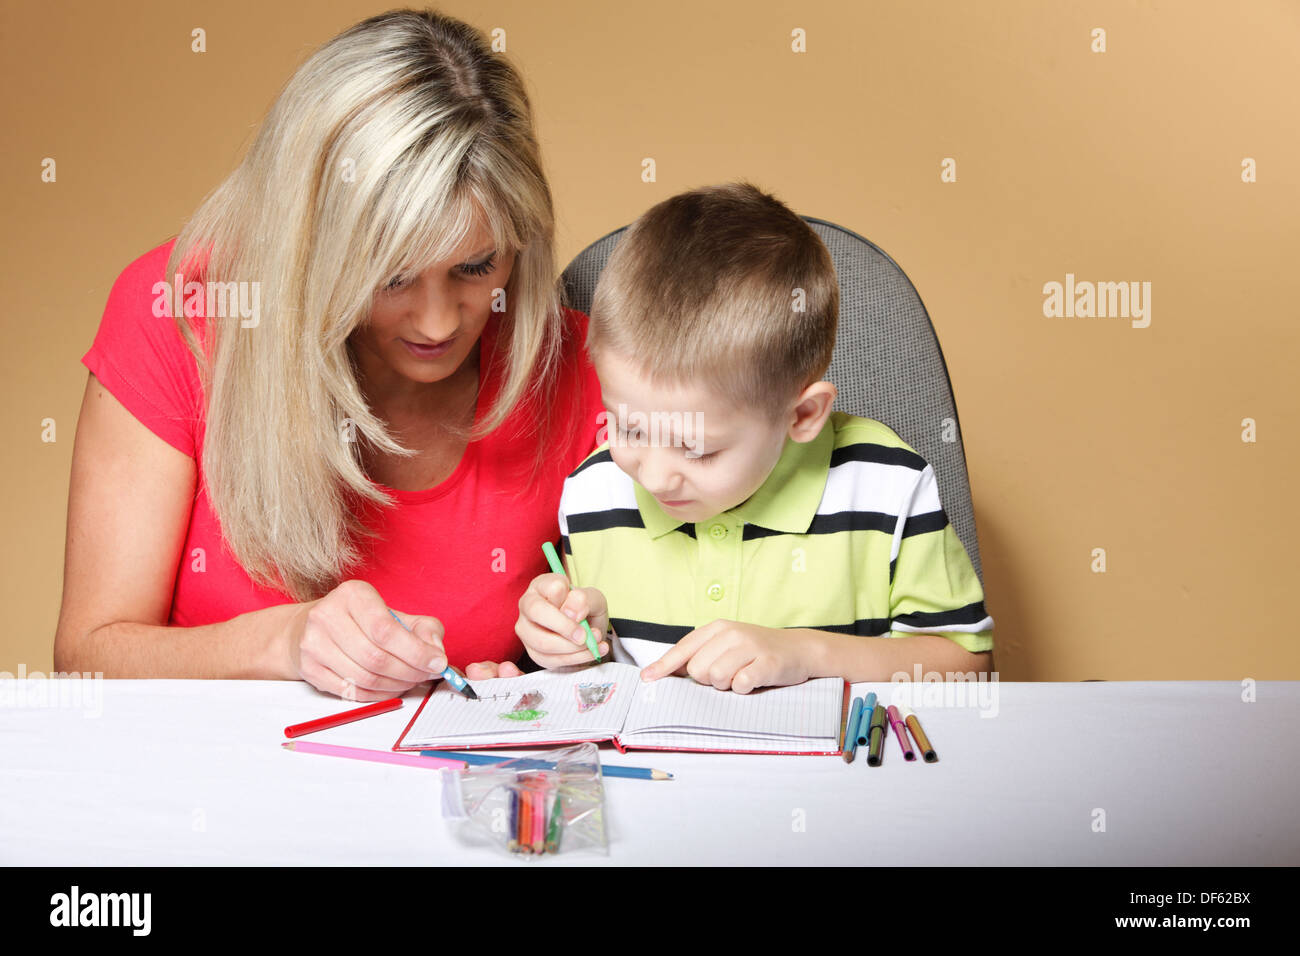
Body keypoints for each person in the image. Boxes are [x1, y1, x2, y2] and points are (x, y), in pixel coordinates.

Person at [54, 10, 610, 700]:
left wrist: (562, 659)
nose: (438, 323)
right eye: (392, 276)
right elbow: (88, 657)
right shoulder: (179, 315)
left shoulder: (584, 366)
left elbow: (654, 636)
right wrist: (287, 642)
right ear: (309, 246)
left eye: (475, 266)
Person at [515, 182, 993, 693]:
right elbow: (598, 684)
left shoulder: (887, 485)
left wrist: (807, 653)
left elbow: (969, 668)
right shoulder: (594, 490)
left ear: (803, 414)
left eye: (697, 448)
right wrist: (571, 642)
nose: (651, 474)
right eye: (628, 426)